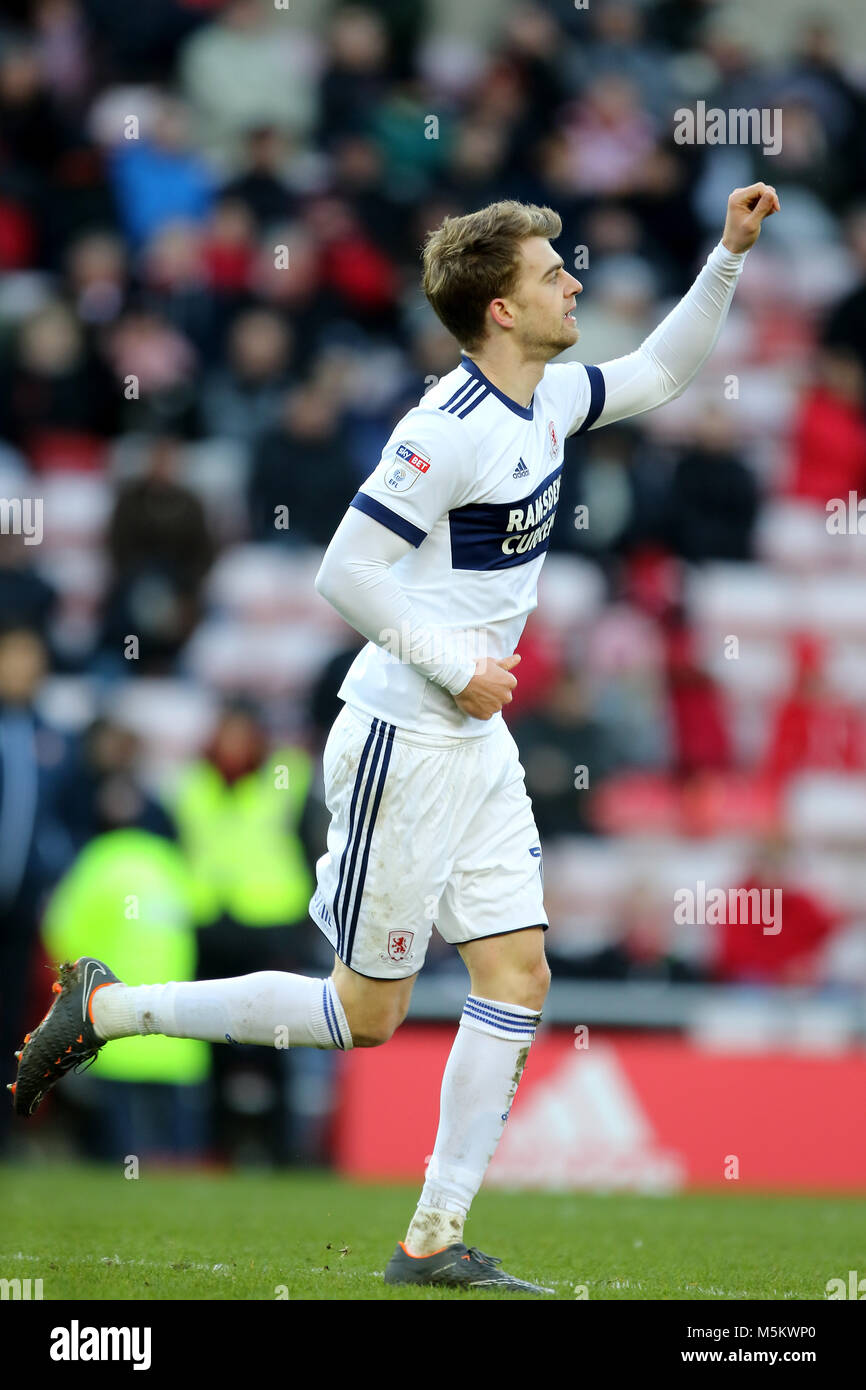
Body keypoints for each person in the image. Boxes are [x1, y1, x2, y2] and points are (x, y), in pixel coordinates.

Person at [9, 183, 780, 1290]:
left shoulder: (549, 401)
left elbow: (657, 373)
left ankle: (431, 1236)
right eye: (547, 270)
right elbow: (342, 571)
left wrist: (726, 254)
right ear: (500, 311)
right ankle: (109, 1006)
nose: (572, 279)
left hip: (474, 742)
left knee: (517, 972)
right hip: (401, 737)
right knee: (360, 1014)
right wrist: (455, 664)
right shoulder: (444, 431)